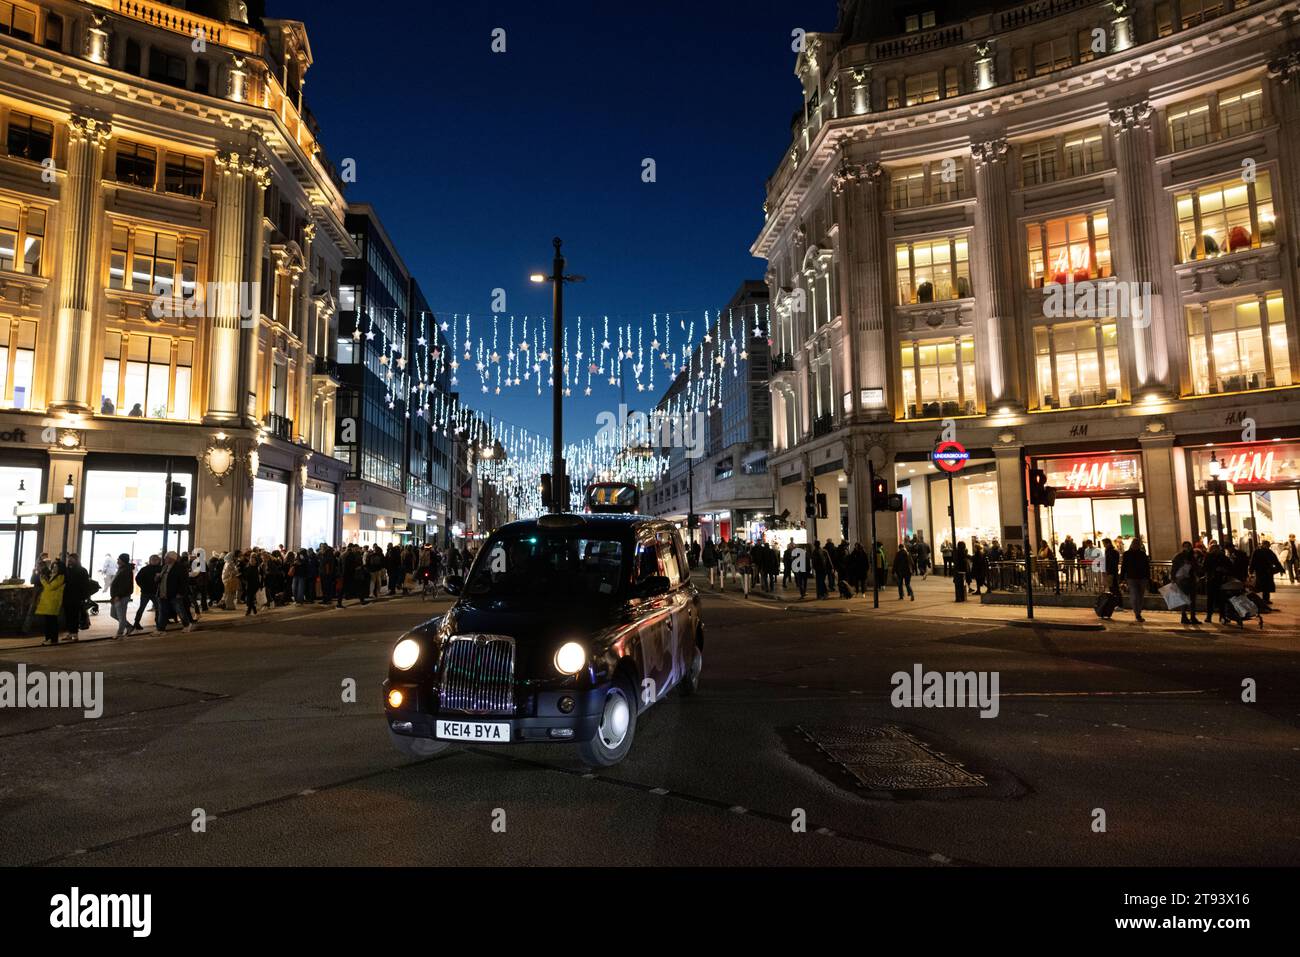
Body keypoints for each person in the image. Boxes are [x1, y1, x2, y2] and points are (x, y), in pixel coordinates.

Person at [62, 553, 94, 643]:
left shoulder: (82, 570)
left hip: (77, 597)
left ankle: (75, 634)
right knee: (68, 615)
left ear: (76, 560)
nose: (69, 560)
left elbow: (85, 585)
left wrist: (85, 597)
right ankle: (70, 633)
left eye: (71, 559)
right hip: (67, 596)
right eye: (69, 559)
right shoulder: (67, 570)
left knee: (75, 615)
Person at [1120, 535, 1150, 622]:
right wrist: (1122, 577)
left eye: (1137, 544)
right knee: (1135, 595)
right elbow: (1124, 566)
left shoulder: (1142, 554)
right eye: (1135, 543)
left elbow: (1146, 566)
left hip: (1142, 577)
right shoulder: (1127, 554)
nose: (1136, 545)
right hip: (1132, 577)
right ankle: (1137, 613)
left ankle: (1138, 611)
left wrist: (1148, 577)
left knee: (1140, 595)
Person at [36, 559, 66, 645]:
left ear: (60, 568)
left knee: (52, 621)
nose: (53, 568)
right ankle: (48, 638)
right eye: (53, 567)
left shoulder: (60, 577)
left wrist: (43, 581)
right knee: (48, 621)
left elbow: (50, 587)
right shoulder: (52, 575)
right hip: (48, 601)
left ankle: (53, 639)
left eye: (56, 567)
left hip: (53, 601)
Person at [1171, 540, 1201, 625]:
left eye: (1188, 546)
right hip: (1182, 580)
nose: (1187, 547)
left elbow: (1196, 567)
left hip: (1191, 579)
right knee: (1184, 599)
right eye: (1185, 546)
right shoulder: (1179, 556)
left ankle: (1192, 617)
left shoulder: (1193, 556)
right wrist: (1173, 578)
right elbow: (1174, 568)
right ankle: (1184, 616)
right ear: (1183, 547)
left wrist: (1192, 564)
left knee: (1192, 599)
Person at [1248, 541, 1284, 611]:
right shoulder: (1268, 552)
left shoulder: (1257, 551)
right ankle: (1265, 599)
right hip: (1267, 571)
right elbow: (1275, 561)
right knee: (1266, 585)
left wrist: (1251, 570)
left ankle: (1265, 600)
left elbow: (1253, 561)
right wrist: (1281, 569)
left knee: (1262, 585)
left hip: (1261, 571)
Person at [109, 553, 134, 638]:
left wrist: (118, 596)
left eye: (119, 559)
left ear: (123, 560)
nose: (117, 560)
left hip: (121, 597)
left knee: (121, 615)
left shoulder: (126, 570)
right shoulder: (121, 569)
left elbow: (125, 586)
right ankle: (129, 626)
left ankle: (120, 633)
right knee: (113, 614)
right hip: (116, 596)